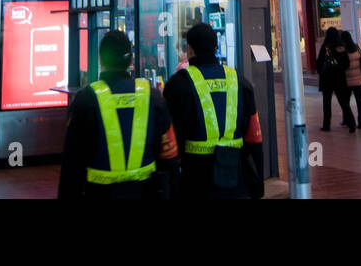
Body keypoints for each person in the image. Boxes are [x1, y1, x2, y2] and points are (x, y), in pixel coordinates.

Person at [58, 30, 179, 199]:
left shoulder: (86, 99)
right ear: (130, 60)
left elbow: (72, 164)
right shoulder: (152, 97)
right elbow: (169, 155)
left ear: (100, 59)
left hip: (99, 193)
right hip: (145, 192)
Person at [162, 22, 263, 199]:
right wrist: (257, 183)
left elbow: (171, 141)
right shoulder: (239, 81)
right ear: (216, 47)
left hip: (195, 182)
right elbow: (255, 139)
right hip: (236, 180)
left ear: (190, 50)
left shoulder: (178, 84)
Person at [315, 27, 355, 132]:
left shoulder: (325, 47)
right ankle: (352, 123)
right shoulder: (341, 46)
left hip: (327, 78)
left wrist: (322, 72)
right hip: (339, 78)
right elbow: (347, 63)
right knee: (343, 102)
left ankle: (326, 124)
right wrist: (340, 70)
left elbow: (319, 62)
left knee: (326, 102)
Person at [340, 31, 361, 130]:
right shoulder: (356, 47)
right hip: (359, 78)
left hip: (348, 80)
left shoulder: (343, 50)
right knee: (360, 101)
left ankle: (347, 120)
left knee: (345, 102)